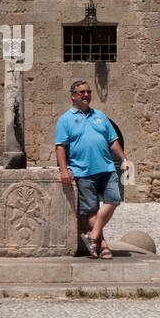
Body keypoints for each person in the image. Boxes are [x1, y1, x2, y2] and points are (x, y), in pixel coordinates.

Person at [54, 80, 128, 259]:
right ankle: (103, 245)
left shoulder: (100, 116)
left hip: (107, 167)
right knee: (90, 211)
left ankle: (93, 236)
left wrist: (124, 159)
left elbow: (112, 141)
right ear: (73, 96)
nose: (86, 95)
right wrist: (64, 170)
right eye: (82, 92)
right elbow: (60, 146)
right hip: (82, 171)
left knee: (114, 200)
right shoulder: (65, 120)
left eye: (88, 92)